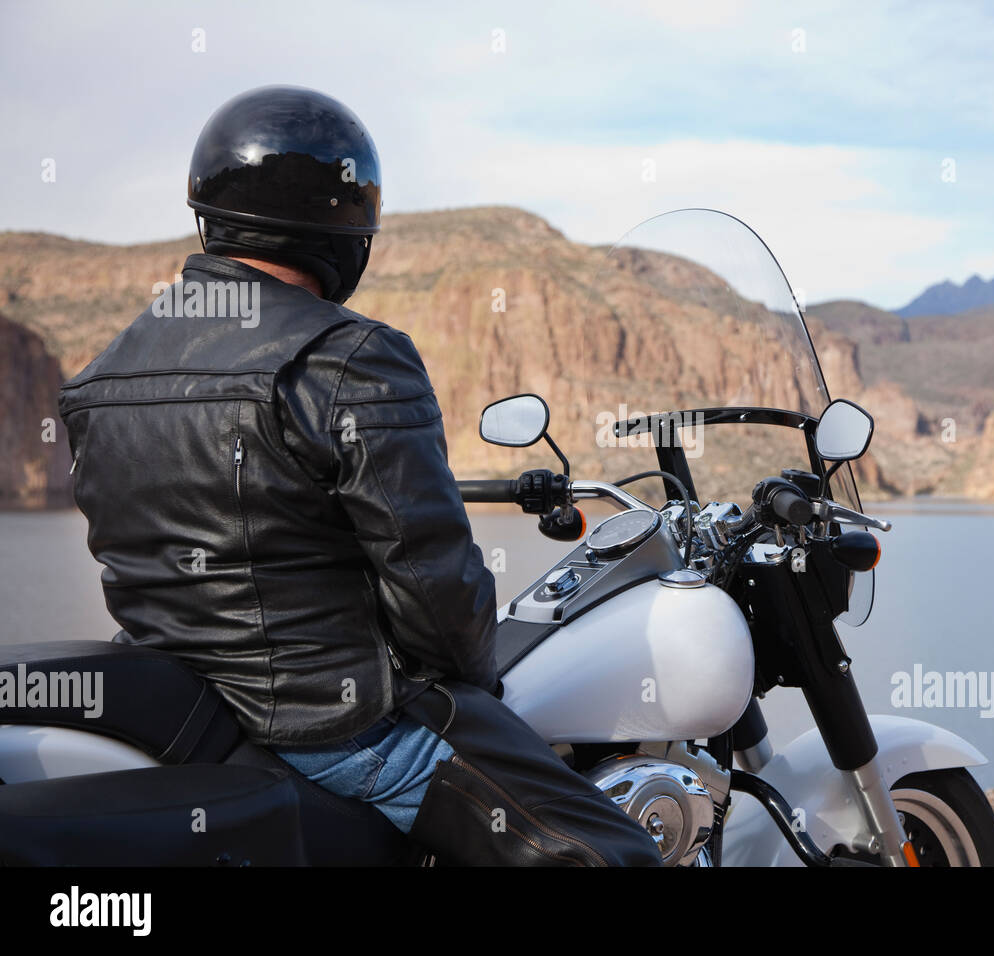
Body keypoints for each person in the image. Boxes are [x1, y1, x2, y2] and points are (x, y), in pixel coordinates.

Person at [58, 85, 660, 866]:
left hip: (188, 711)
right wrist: (482, 684)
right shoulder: (350, 358)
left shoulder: (100, 375)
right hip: (333, 731)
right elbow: (434, 588)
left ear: (209, 215)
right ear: (343, 229)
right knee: (618, 854)